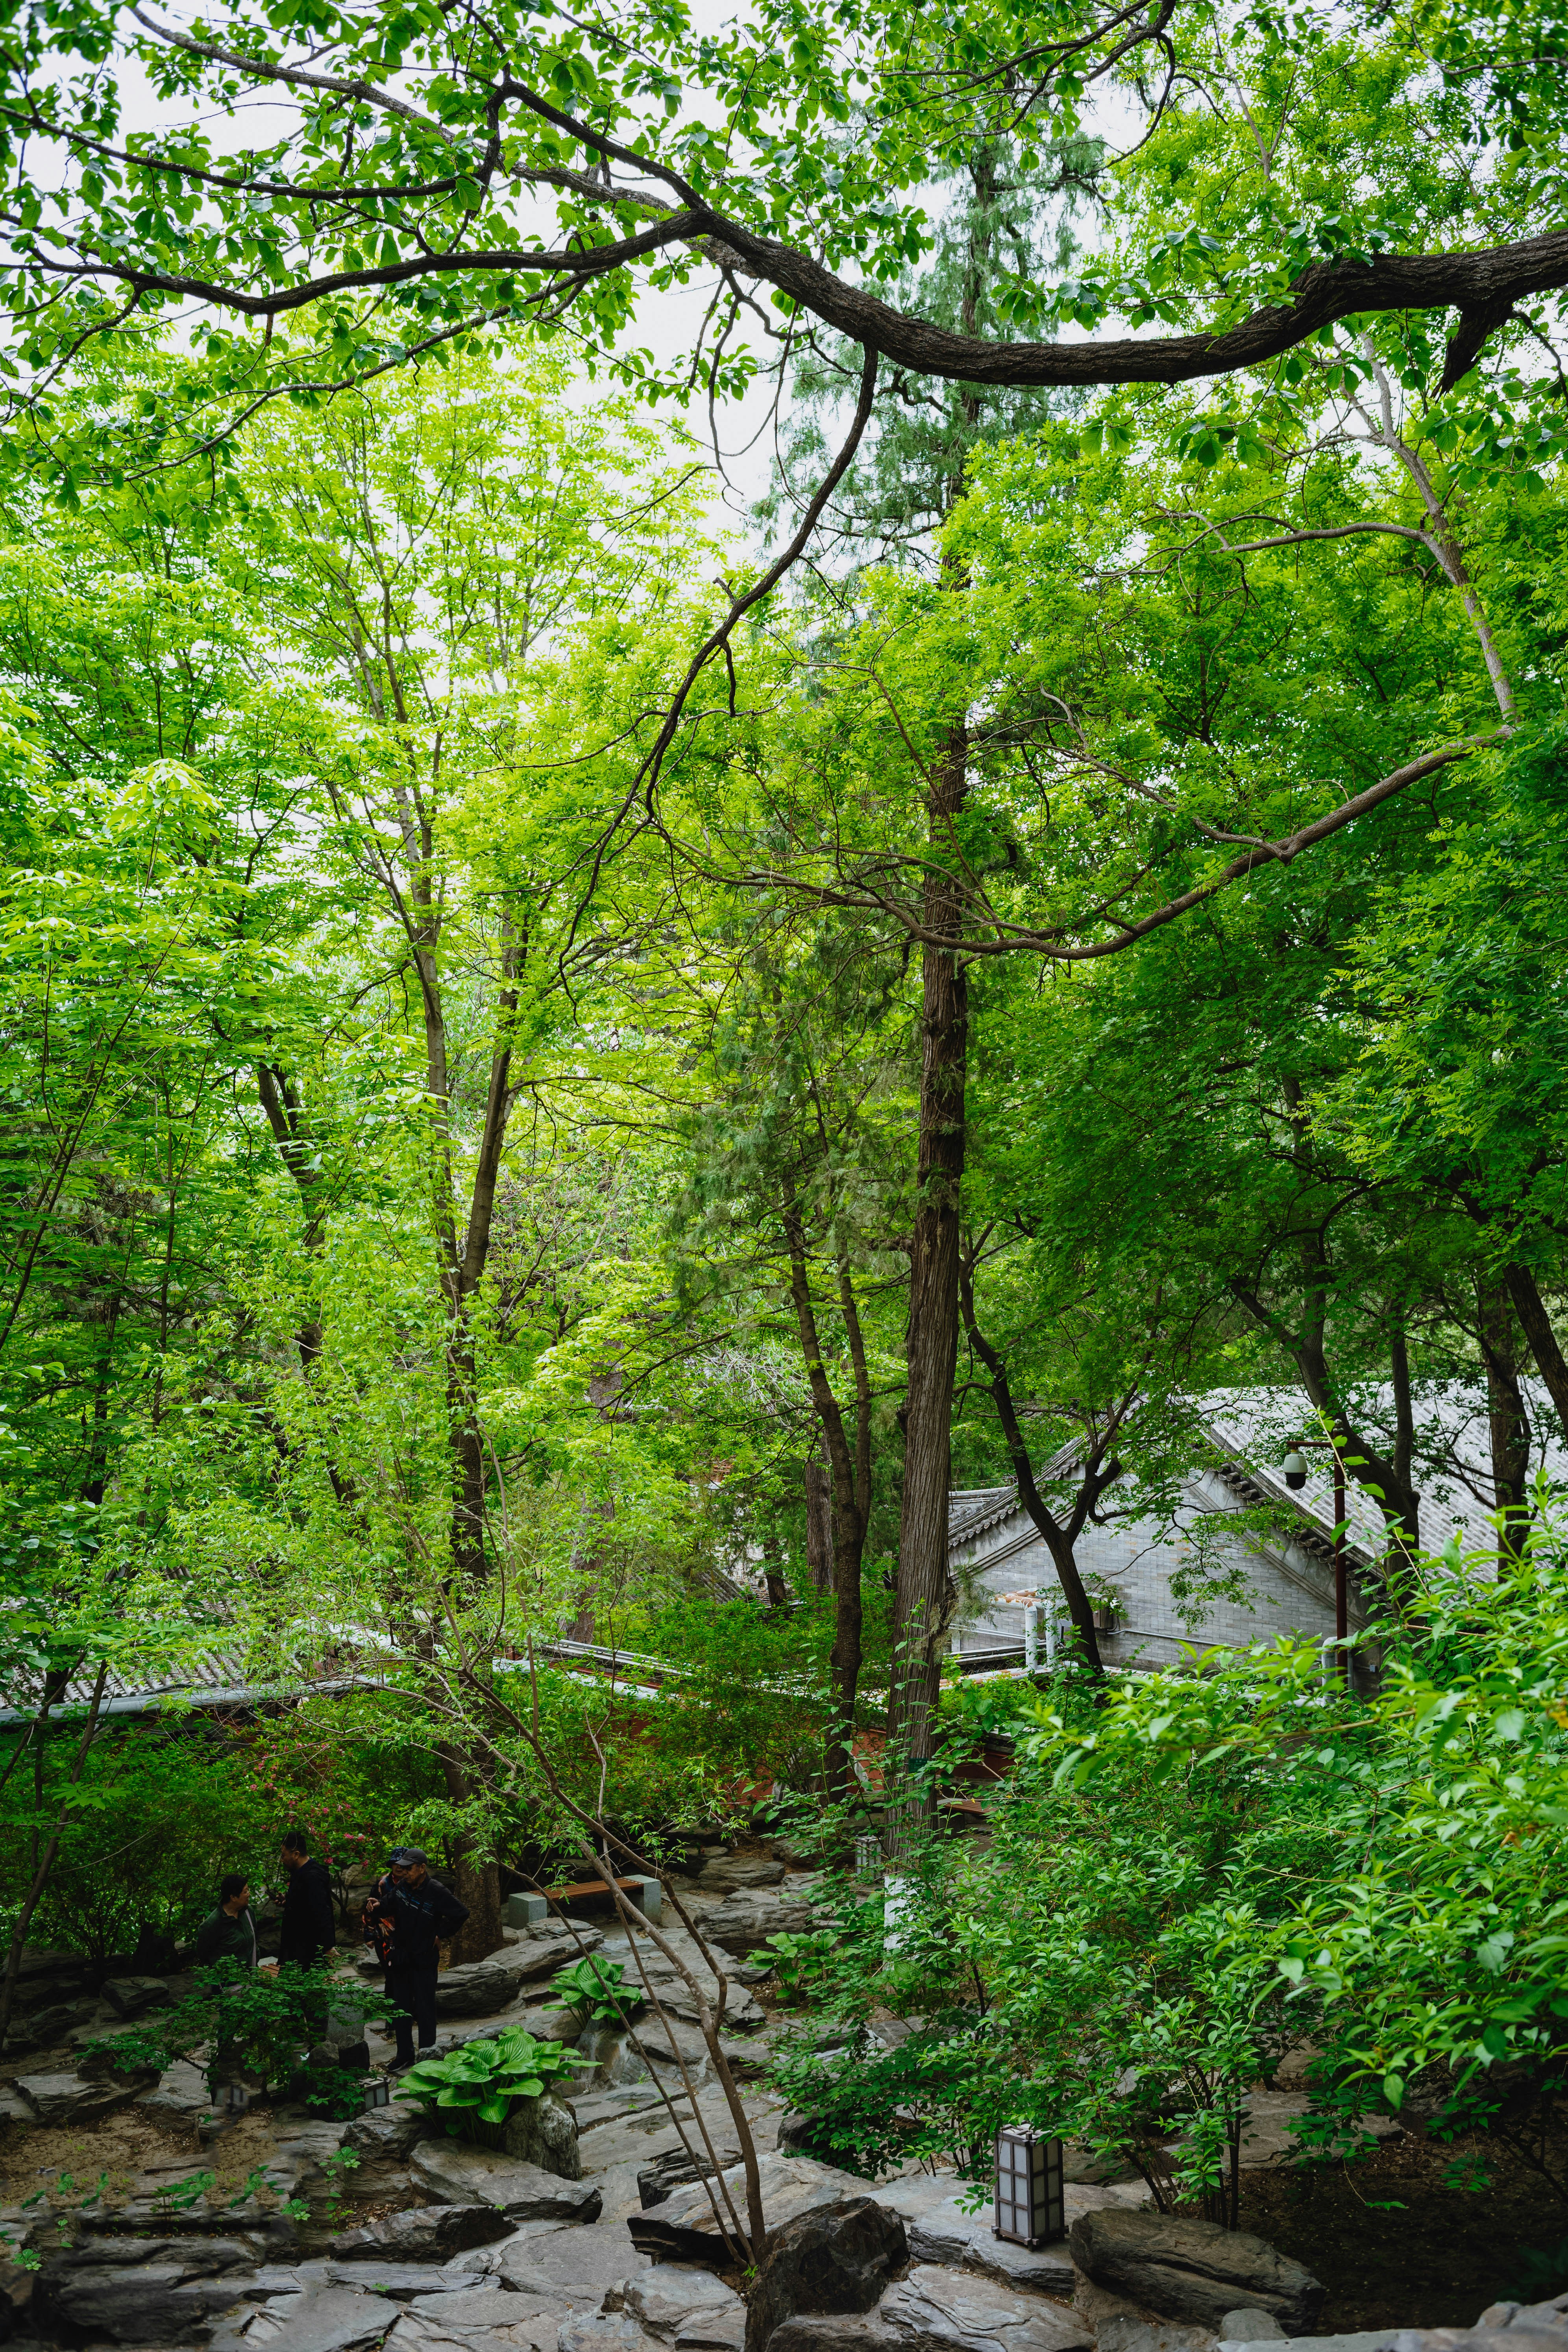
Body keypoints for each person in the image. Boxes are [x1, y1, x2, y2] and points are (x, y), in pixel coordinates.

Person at [375, 1847, 468, 2069]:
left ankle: (428, 2058)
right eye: (403, 1868)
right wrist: (377, 1906)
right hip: (401, 1955)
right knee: (401, 2007)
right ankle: (404, 2054)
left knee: (426, 2008)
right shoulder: (402, 1887)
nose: (404, 1872)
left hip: (425, 1957)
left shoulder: (437, 1891)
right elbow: (388, 1904)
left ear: (422, 1868)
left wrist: (440, 1934)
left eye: (409, 1868)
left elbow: (461, 1913)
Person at [277, 1829, 337, 1969]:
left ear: (296, 1855)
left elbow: (323, 1913)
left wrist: (328, 1948)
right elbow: (306, 1904)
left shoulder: (312, 1877)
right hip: (296, 1946)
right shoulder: (300, 1871)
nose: (282, 1859)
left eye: (284, 1855)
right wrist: (288, 1901)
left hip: (307, 1950)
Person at [194, 1873, 257, 1970]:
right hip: (227, 1982)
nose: (249, 1894)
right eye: (246, 1892)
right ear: (233, 1898)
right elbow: (203, 1954)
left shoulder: (248, 1911)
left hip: (251, 1978)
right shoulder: (213, 1924)